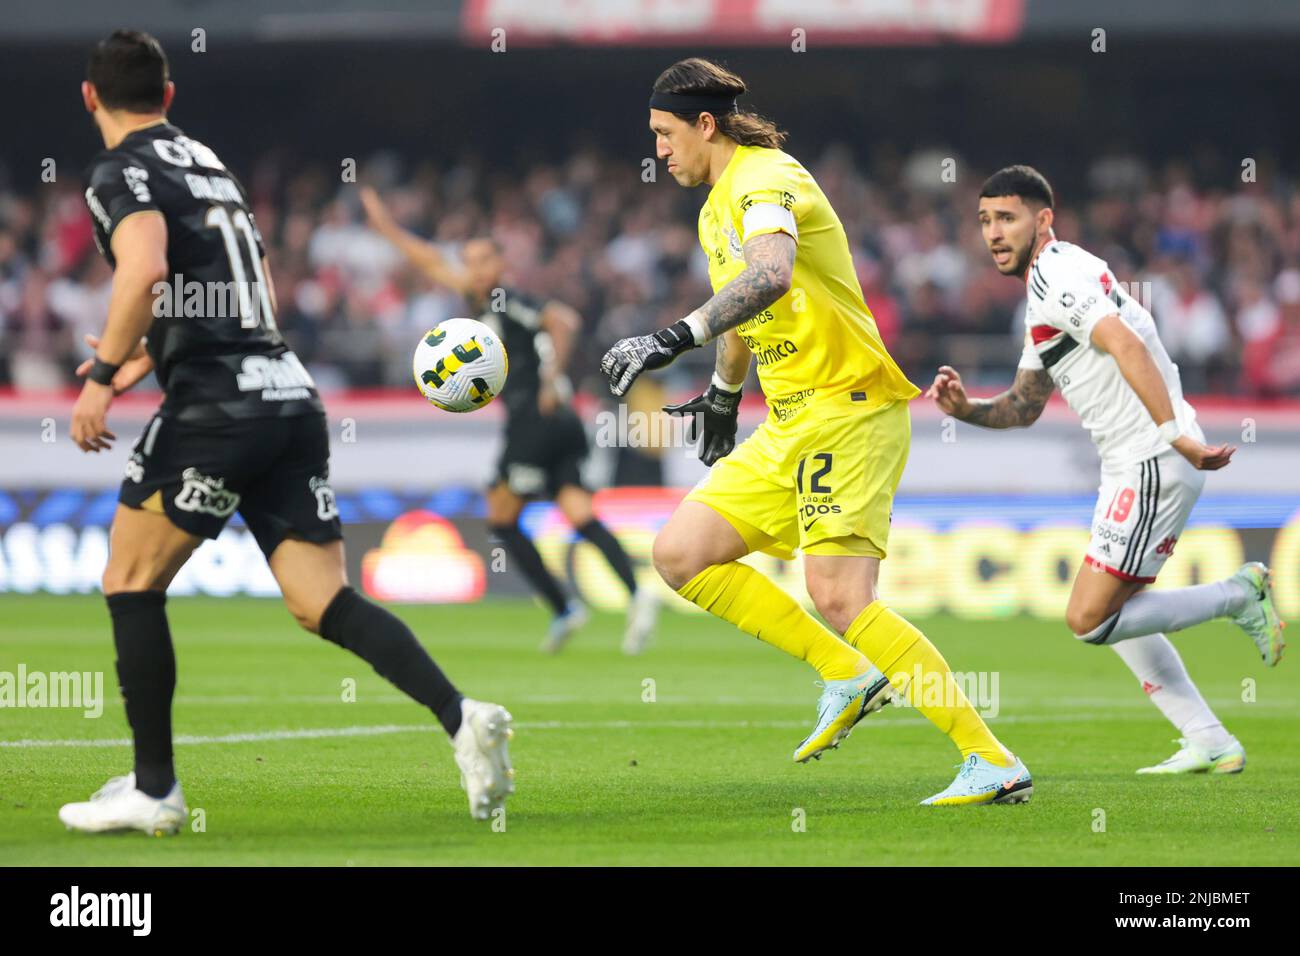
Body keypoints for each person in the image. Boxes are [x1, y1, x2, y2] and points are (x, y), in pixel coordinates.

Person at [59, 31, 513, 835]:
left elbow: (146, 271)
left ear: (90, 97)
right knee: (319, 599)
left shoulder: (116, 172)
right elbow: (243, 282)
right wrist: (142, 358)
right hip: (285, 391)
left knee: (130, 581)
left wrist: (100, 377)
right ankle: (461, 715)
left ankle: (155, 788)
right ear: (168, 98)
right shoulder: (205, 162)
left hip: (216, 409)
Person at [600, 58, 1031, 806]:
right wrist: (723, 395)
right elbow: (746, 311)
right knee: (680, 553)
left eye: (665, 134)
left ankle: (989, 758)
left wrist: (670, 340)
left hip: (849, 407)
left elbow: (769, 274)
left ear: (705, 124)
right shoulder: (712, 211)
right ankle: (844, 673)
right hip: (790, 419)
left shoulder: (766, 180)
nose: (658, 150)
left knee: (840, 595)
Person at [928, 164, 1285, 774]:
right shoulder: (1050, 286)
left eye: (1007, 218)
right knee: (1116, 615)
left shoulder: (1057, 274)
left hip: (1152, 457)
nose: (993, 232)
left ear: (1043, 219)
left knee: (1087, 619)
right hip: (1133, 464)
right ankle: (1210, 739)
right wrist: (966, 411)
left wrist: (1175, 435)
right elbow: (1023, 406)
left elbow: (1125, 343)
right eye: (985, 220)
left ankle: (1238, 593)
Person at [360, 188, 658, 654]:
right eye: (470, 261)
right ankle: (639, 596)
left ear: (500, 266)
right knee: (578, 513)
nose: (474, 270)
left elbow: (565, 320)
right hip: (561, 421)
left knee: (501, 518)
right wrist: (388, 229)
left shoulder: (504, 299)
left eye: (483, 261)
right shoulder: (479, 298)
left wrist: (549, 377)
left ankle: (564, 607)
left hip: (534, 420)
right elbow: (432, 263)